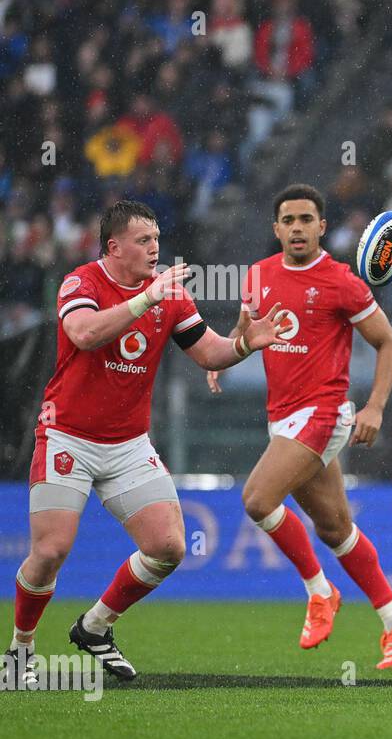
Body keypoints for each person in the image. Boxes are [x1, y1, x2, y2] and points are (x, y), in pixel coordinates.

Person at [6, 200, 288, 685]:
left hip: (128, 444)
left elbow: (208, 353)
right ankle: (20, 650)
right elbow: (85, 332)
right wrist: (145, 300)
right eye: (143, 240)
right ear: (114, 248)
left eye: (157, 238)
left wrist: (245, 343)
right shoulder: (83, 282)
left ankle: (95, 626)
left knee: (169, 547)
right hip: (66, 434)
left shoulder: (170, 296)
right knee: (51, 551)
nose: (155, 247)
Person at [207, 184, 392, 669]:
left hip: (324, 413)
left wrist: (375, 408)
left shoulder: (342, 281)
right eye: (289, 220)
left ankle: (320, 592)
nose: (298, 228)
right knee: (334, 528)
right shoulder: (258, 276)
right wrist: (220, 355)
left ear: (322, 226)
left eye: (307, 219)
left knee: (258, 500)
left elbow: (389, 344)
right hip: (282, 418)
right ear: (276, 228)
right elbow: (244, 332)